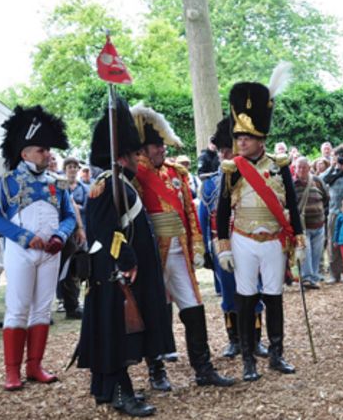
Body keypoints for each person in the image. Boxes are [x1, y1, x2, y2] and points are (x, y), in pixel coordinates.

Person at [77, 97, 173, 416]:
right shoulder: (108, 184)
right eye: (133, 153)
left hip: (114, 272)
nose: (138, 158)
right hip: (112, 274)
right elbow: (104, 232)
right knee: (115, 335)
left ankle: (105, 388)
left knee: (110, 331)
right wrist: (127, 259)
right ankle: (121, 392)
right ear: (122, 156)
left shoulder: (121, 183)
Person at [128, 103, 234, 390]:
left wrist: (197, 245)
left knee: (194, 307)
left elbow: (189, 212)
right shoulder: (135, 175)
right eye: (156, 146)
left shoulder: (177, 174)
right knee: (155, 311)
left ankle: (203, 367)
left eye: (163, 145)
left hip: (180, 252)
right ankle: (156, 369)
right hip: (152, 253)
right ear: (143, 149)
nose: (162, 150)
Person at [216, 68, 303, 382]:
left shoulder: (279, 168)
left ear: (260, 138)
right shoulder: (231, 169)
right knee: (245, 298)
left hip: (275, 240)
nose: (240, 142)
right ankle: (248, 359)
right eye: (237, 137)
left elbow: (292, 204)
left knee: (274, 297)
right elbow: (222, 209)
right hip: (243, 239)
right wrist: (223, 246)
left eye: (246, 137)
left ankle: (277, 354)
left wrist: (301, 240)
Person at [0, 105, 77, 391]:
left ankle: (35, 366)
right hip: (20, 251)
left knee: (43, 309)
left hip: (51, 252)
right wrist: (23, 237)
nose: (48, 154)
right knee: (17, 309)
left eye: (48, 150)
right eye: (41, 149)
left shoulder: (59, 185)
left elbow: (69, 216)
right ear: (24, 153)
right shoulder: (5, 183)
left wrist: (61, 237)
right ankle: (12, 371)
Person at [198, 118, 268, 360]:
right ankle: (234, 340)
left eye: (228, 150)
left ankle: (256, 340)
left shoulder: (255, 177)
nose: (223, 155)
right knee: (229, 294)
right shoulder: (210, 184)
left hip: (251, 241)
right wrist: (207, 250)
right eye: (222, 151)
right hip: (223, 246)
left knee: (254, 292)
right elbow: (205, 218)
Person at [57, 156, 88, 320]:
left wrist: (81, 228)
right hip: (60, 232)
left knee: (73, 270)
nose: (73, 169)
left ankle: (72, 305)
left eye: (75, 166)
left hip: (71, 234)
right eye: (69, 166)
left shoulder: (84, 187)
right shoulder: (60, 181)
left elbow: (72, 205)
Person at [322, 144, 343, 283]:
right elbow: (321, 180)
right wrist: (333, 166)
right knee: (333, 243)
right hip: (334, 212)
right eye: (339, 157)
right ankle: (334, 274)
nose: (342, 160)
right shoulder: (332, 172)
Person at [294, 156, 330, 289]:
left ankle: (313, 278)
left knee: (316, 253)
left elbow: (326, 198)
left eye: (304, 167)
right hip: (303, 227)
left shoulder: (317, 181)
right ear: (295, 169)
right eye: (299, 167)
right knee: (306, 253)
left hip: (319, 224)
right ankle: (307, 278)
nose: (302, 170)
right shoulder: (292, 184)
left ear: (309, 168)